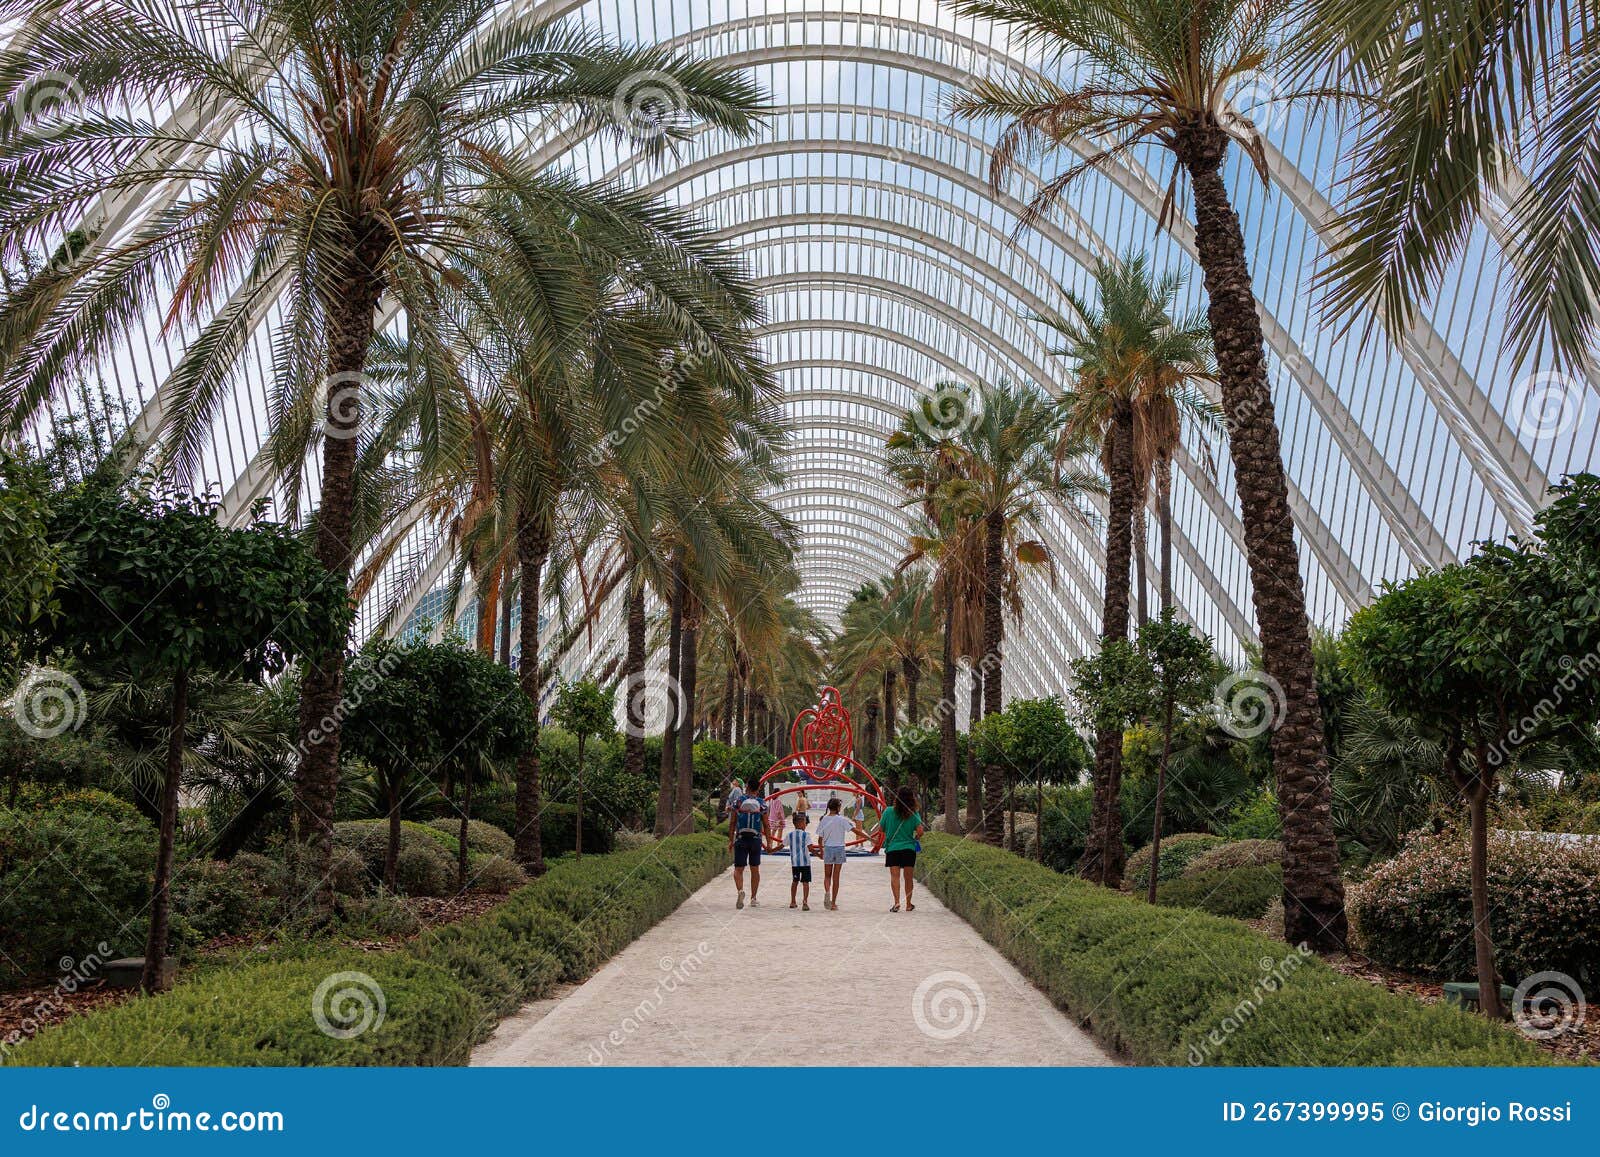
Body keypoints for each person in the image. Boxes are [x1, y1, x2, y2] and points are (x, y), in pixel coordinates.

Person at [815, 797, 867, 910]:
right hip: (839, 849)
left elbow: (820, 839)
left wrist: (821, 850)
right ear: (838, 807)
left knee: (827, 876)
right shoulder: (842, 819)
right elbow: (855, 830)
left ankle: (827, 892)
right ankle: (833, 903)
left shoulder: (823, 819)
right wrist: (868, 838)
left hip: (828, 848)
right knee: (836, 877)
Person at [879, 784, 924, 913]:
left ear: (897, 797)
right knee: (908, 878)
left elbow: (881, 829)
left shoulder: (888, 811)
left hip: (893, 848)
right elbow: (920, 830)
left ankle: (897, 902)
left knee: (895, 876)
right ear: (911, 799)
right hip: (909, 848)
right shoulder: (914, 813)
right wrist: (916, 838)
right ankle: (908, 904)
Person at [729, 791, 768, 909]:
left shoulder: (738, 801)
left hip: (741, 838)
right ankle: (753, 898)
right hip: (755, 839)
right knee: (755, 870)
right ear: (757, 789)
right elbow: (766, 824)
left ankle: (740, 890)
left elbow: (732, 822)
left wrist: (731, 840)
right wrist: (769, 842)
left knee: (738, 869)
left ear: (748, 787)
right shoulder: (762, 803)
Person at [786, 811, 813, 910]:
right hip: (805, 863)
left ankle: (793, 901)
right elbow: (811, 848)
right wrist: (819, 854)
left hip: (795, 863)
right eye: (805, 822)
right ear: (800, 823)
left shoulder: (790, 835)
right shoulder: (806, 835)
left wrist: (770, 851)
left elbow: (781, 845)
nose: (806, 824)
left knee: (795, 881)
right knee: (805, 882)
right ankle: (805, 902)